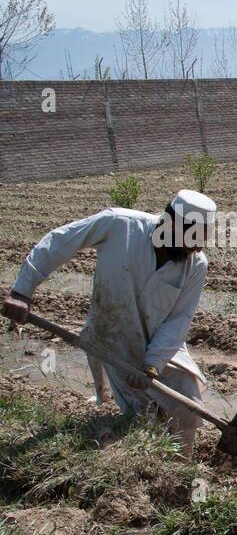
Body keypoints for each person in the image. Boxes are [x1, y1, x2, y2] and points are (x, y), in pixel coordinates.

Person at [2, 190, 216, 460]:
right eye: (193, 240)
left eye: (202, 241)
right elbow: (60, 241)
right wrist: (22, 290)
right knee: (140, 415)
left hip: (162, 345)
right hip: (113, 340)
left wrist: (152, 363)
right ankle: (144, 469)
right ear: (171, 226)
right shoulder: (119, 225)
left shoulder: (196, 264)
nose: (197, 249)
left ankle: (181, 467)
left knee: (188, 403)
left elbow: (179, 320)